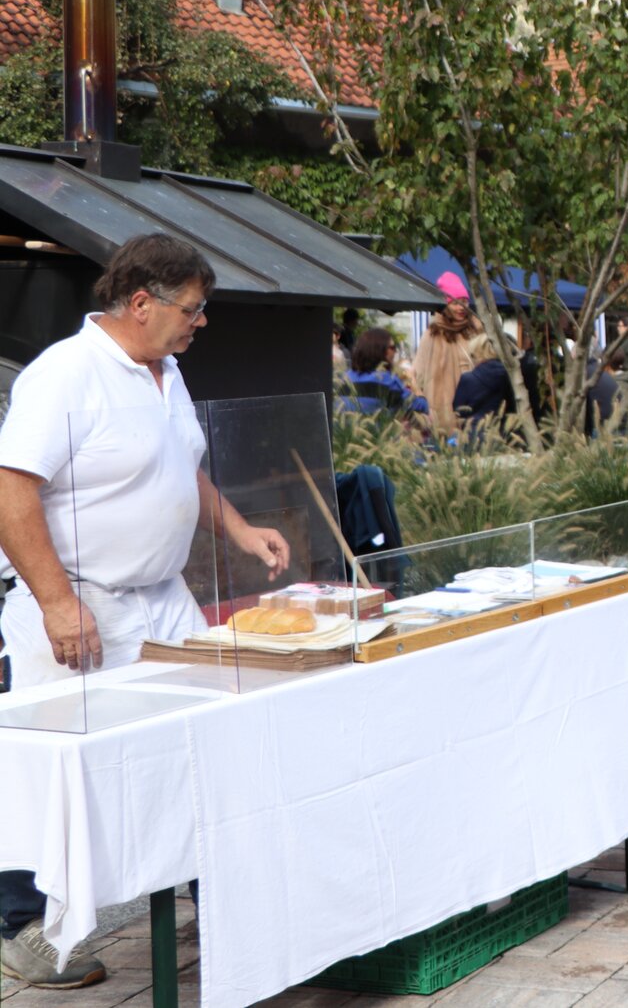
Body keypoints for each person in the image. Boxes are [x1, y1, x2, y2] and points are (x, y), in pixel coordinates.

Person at [0, 235, 291, 988]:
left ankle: (210, 892)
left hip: (163, 601)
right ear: (140, 303)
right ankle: (23, 927)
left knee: (202, 745)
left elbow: (180, 467)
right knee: (65, 777)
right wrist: (59, 605)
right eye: (192, 309)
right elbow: (11, 491)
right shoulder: (64, 374)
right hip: (82, 603)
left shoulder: (168, 370)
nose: (201, 322)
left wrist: (238, 527)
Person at [415, 272, 486, 434]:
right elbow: (418, 374)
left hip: (475, 409)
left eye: (464, 302)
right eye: (455, 303)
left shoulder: (477, 330)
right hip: (442, 414)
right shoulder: (433, 333)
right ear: (445, 304)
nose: (461, 307)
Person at [336, 328, 429, 419]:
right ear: (379, 350)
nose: (395, 351)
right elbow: (422, 408)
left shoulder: (343, 379)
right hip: (376, 433)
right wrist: (413, 381)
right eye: (392, 347)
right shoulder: (388, 381)